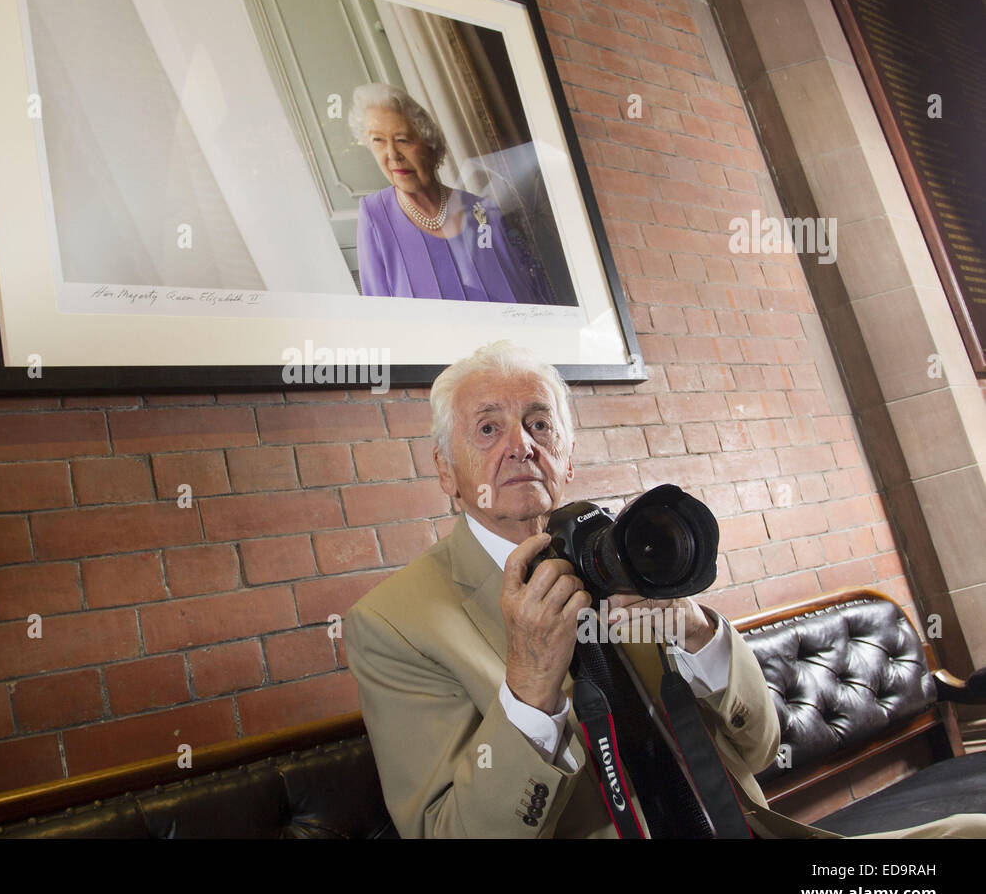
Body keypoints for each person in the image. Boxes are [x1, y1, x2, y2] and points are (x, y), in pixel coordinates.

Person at [344, 340, 986, 839]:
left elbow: (760, 748)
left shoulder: (624, 553)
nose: (521, 447)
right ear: (446, 473)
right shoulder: (395, 624)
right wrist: (530, 688)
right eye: (488, 429)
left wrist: (699, 633)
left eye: (541, 425)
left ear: (566, 457)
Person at [347, 83, 554, 305]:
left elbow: (529, 298)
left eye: (402, 140)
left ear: (430, 144)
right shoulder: (374, 216)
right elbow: (382, 317)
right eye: (378, 140)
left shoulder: (483, 212)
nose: (392, 154)